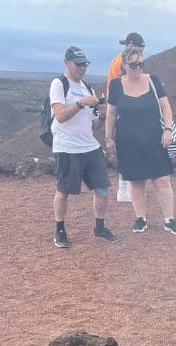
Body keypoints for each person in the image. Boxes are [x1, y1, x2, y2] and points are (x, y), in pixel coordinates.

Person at [105, 48, 176, 235]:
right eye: (133, 64)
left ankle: (169, 219)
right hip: (128, 141)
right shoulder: (116, 85)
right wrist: (109, 138)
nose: (137, 68)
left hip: (155, 139)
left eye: (140, 64)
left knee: (162, 180)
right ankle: (141, 218)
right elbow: (111, 113)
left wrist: (168, 130)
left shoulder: (153, 81)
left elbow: (166, 107)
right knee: (136, 181)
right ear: (124, 65)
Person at [50, 46, 117, 248]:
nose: (82, 68)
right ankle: (59, 230)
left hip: (89, 146)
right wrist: (80, 103)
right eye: (78, 64)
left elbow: (93, 126)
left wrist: (103, 116)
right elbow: (60, 116)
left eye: (85, 64)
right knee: (64, 190)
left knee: (102, 187)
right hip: (67, 147)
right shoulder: (59, 84)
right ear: (67, 63)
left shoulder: (88, 88)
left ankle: (99, 226)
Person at [107, 32, 146, 204]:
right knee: (127, 150)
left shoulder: (117, 60)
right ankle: (124, 189)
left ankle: (126, 188)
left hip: (120, 108)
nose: (141, 54)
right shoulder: (122, 63)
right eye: (138, 50)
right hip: (124, 109)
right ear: (130, 47)